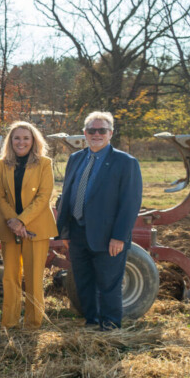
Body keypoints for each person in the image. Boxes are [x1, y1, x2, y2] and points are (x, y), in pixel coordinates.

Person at [55, 111, 143, 330]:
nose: (96, 134)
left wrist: (119, 237)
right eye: (91, 130)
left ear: (110, 133)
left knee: (108, 283)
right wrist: (65, 232)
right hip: (77, 232)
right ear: (85, 133)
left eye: (101, 130)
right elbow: (67, 194)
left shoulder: (125, 162)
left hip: (107, 236)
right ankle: (92, 322)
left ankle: (111, 326)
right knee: (84, 282)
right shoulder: (76, 159)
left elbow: (130, 203)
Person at [0, 121, 55, 330]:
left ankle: (33, 323)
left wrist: (21, 221)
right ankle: (9, 321)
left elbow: (43, 196)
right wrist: (13, 221)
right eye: (16, 138)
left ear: (33, 141)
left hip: (36, 228)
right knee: (10, 277)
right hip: (8, 227)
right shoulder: (0, 165)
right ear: (10, 141)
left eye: (26, 138)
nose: (21, 142)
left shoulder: (45, 163)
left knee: (33, 277)